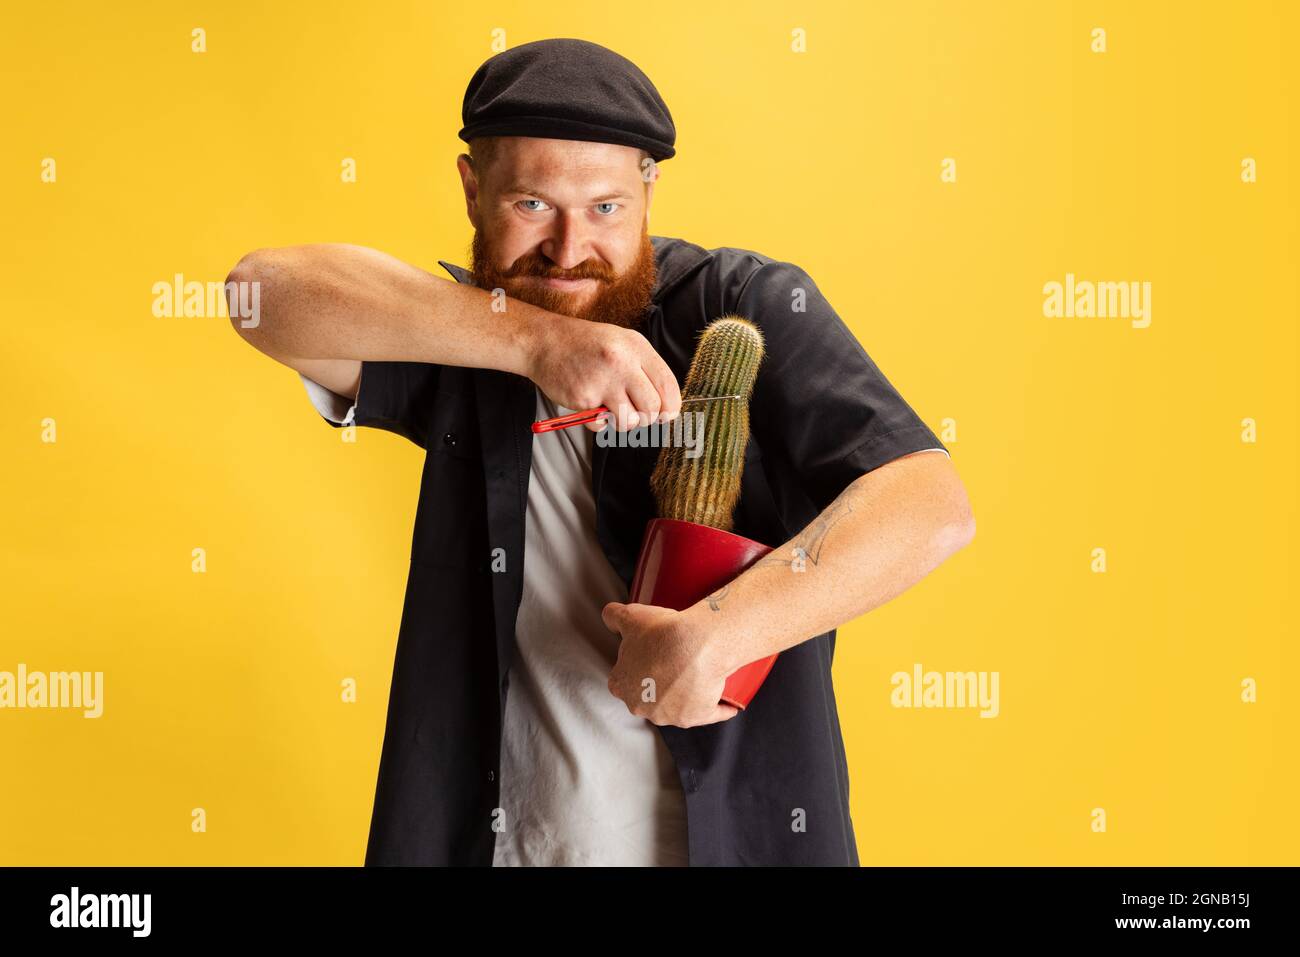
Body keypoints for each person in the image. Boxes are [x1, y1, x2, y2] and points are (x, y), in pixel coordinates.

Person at [227, 37, 975, 866]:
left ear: (649, 190)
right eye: (533, 204)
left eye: (607, 208)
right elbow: (257, 294)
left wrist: (722, 634)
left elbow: (929, 505)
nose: (570, 246)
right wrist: (536, 342)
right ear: (473, 191)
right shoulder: (464, 338)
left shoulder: (743, 305)